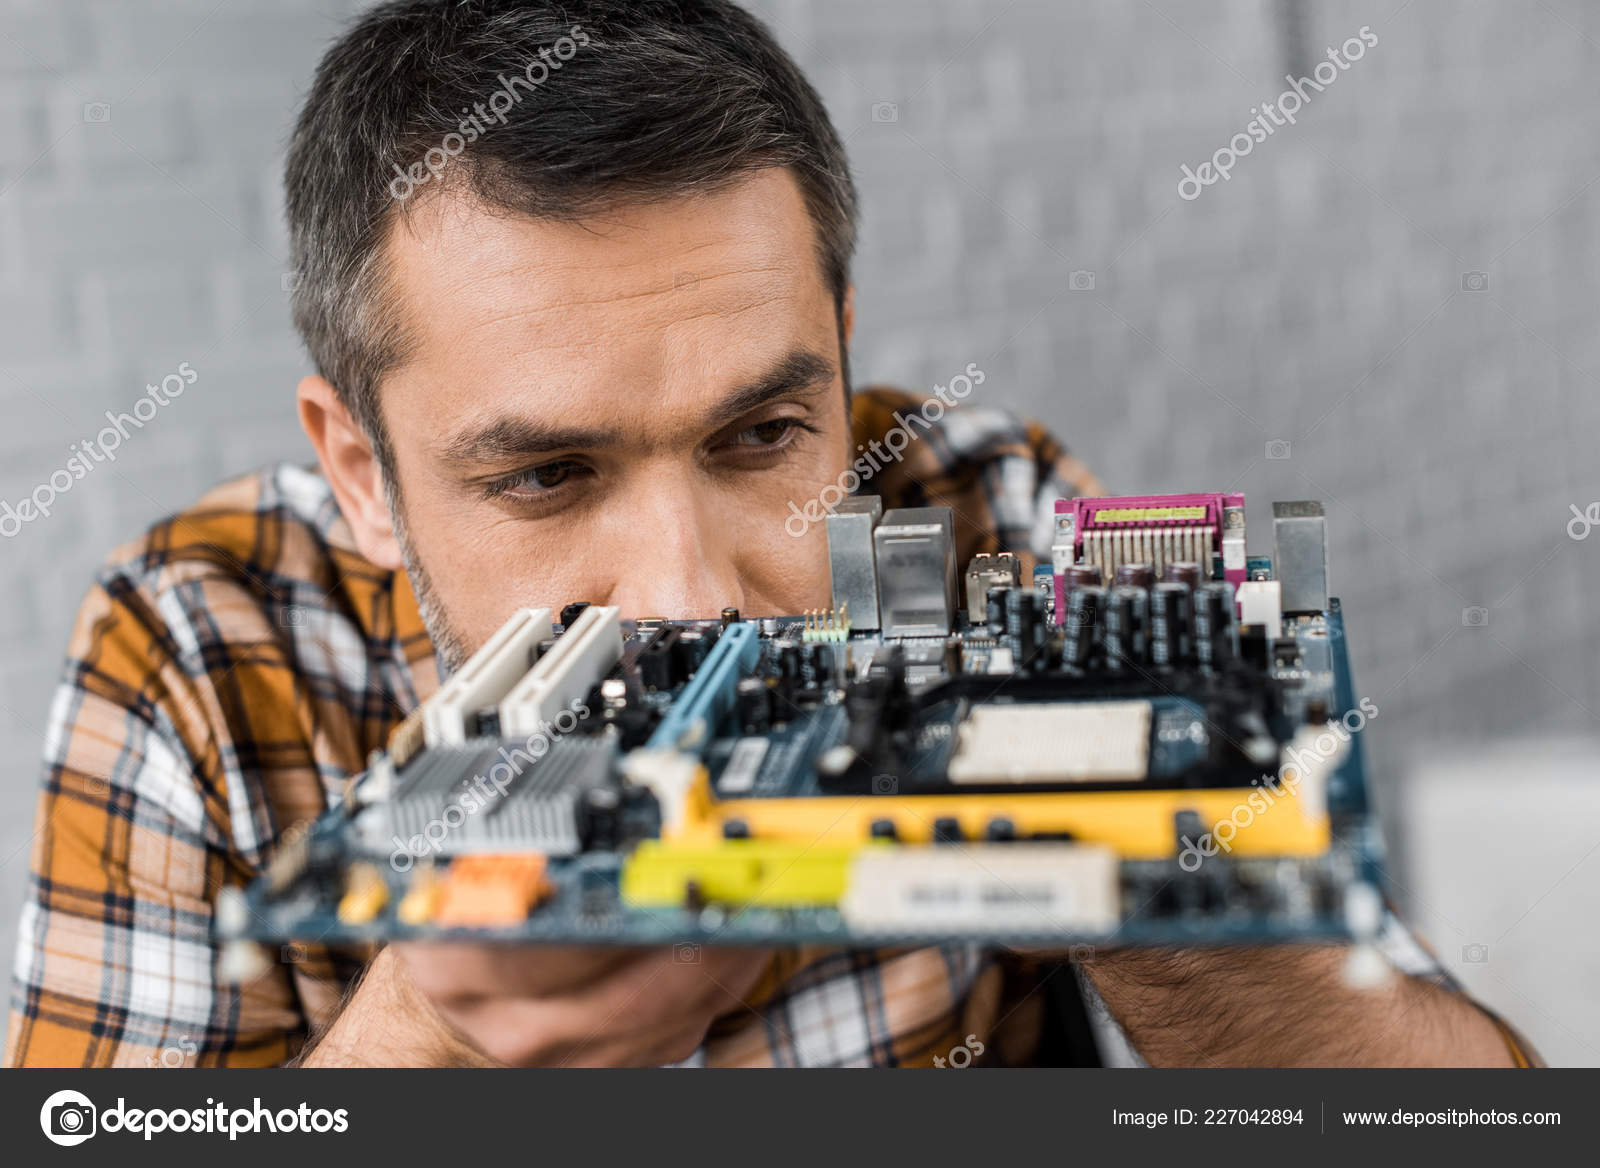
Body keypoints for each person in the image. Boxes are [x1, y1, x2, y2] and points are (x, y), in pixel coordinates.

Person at [5, 0, 1532, 1068]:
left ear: (842, 361)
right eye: (544, 476)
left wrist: (1179, 909)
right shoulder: (203, 651)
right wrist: (435, 1054)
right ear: (356, 465)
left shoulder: (986, 518)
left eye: (761, 438)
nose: (687, 595)